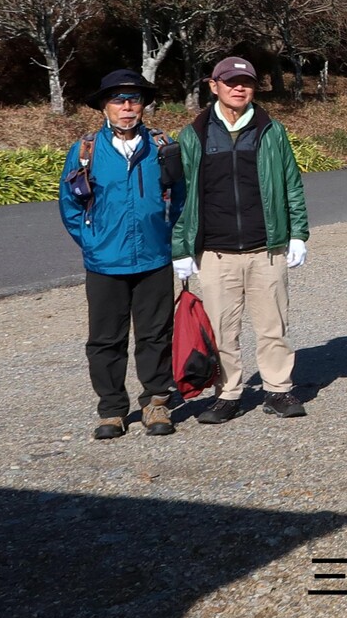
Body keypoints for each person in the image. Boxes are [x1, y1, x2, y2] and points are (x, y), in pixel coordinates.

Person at [169, 57, 310, 423]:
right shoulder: (194, 134)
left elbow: (291, 184)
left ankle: (278, 390)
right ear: (213, 85)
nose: (238, 87)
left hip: (267, 249)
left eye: (246, 81)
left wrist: (298, 234)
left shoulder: (271, 131)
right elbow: (182, 198)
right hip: (215, 252)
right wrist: (182, 247)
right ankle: (228, 394)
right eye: (230, 81)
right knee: (221, 330)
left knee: (273, 327)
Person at [59, 69, 186, 440]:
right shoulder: (85, 150)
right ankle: (111, 409)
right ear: (103, 107)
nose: (127, 107)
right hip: (104, 262)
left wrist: (171, 242)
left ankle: (156, 402)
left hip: (154, 258)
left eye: (134, 100)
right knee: (105, 339)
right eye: (118, 100)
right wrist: (92, 242)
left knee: (156, 335)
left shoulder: (163, 145)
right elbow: (69, 204)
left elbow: (180, 198)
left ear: (143, 105)